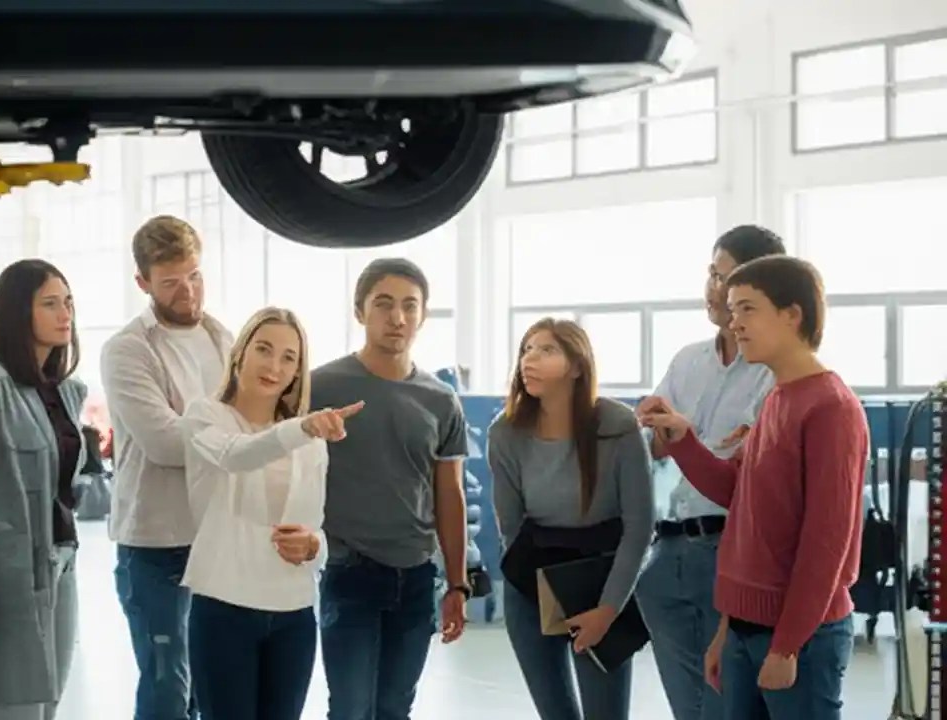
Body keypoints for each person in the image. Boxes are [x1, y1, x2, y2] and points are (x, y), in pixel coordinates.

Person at [640, 255, 868, 720]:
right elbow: (739, 498)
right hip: (745, 630)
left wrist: (787, 646)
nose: (734, 321)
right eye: (731, 308)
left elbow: (827, 541)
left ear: (792, 314)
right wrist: (728, 627)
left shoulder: (830, 408)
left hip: (798, 638)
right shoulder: (777, 400)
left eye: (747, 309)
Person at [181, 307, 361, 720]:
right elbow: (235, 456)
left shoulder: (311, 441)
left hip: (293, 614)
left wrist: (314, 546)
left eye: (288, 358)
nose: (274, 365)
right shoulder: (205, 416)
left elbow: (316, 532)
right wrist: (302, 428)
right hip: (224, 607)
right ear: (240, 353)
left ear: (298, 372)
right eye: (264, 349)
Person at [635, 225, 785, 720]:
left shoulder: (775, 377)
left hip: (731, 553)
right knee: (689, 710)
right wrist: (653, 425)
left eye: (723, 279)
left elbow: (751, 480)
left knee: (727, 707)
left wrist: (685, 438)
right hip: (667, 556)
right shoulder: (687, 361)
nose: (712, 289)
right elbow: (655, 445)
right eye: (710, 274)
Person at [310, 257, 469, 720]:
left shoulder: (440, 399)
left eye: (409, 306)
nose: (397, 317)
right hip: (348, 571)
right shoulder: (321, 386)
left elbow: (449, 495)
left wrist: (457, 581)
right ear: (360, 312)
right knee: (351, 709)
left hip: (416, 576)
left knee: (396, 708)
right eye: (383, 304)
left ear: (423, 314)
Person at [101, 215, 234, 720]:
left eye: (195, 276)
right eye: (172, 283)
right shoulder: (127, 350)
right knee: (166, 685)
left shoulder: (225, 338)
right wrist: (241, 438)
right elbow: (163, 442)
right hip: (155, 546)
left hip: (217, 539)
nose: (189, 293)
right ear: (143, 283)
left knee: (212, 681)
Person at [0, 260, 87, 720]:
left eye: (67, 302)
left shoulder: (63, 388)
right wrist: (11, 596)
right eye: (49, 304)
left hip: (61, 562)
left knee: (48, 704)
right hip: (12, 578)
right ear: (16, 312)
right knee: (17, 707)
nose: (64, 314)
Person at [488, 318, 654, 720]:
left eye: (547, 350)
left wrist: (609, 609)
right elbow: (510, 526)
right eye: (526, 349)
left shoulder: (617, 425)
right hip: (533, 581)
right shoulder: (505, 432)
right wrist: (542, 595)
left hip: (601, 578)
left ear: (578, 365)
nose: (530, 358)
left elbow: (640, 526)